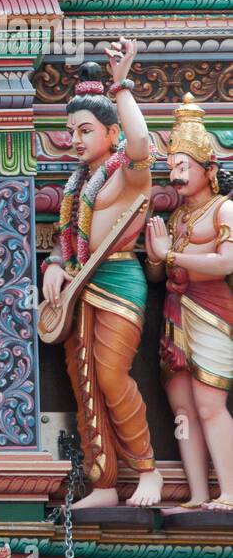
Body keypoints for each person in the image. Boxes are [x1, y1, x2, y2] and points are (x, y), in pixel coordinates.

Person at [41, 41, 163, 510]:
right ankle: (104, 481)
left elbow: (141, 145)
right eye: (71, 130)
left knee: (111, 377)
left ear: (110, 134)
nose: (75, 139)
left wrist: (122, 85)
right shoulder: (75, 185)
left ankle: (147, 470)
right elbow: (65, 239)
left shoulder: (125, 176)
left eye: (86, 130)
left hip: (117, 283)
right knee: (84, 381)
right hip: (77, 289)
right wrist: (53, 264)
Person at [144, 93, 233, 513]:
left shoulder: (224, 210)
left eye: (184, 167)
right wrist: (155, 256)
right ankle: (198, 494)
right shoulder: (176, 219)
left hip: (213, 312)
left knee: (209, 404)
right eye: (172, 166)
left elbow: (225, 262)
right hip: (175, 315)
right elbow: (157, 276)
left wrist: (172, 256)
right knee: (182, 409)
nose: (175, 175)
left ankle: (229, 492)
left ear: (209, 171)